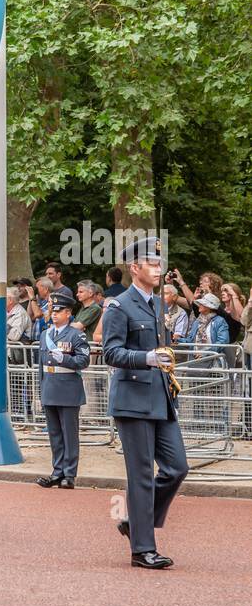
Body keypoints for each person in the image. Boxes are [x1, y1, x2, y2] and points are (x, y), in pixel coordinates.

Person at [101, 236, 188, 569]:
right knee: (140, 475)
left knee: (178, 467)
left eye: (159, 263)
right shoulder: (119, 306)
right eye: (152, 263)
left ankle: (134, 522)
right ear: (134, 268)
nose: (158, 268)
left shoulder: (157, 305)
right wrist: (148, 358)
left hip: (160, 398)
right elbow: (111, 352)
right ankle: (142, 549)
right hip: (132, 400)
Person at [36, 287, 90, 489]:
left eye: (59, 311)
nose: (55, 314)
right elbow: (41, 366)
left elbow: (84, 361)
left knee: (69, 435)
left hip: (68, 390)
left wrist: (65, 359)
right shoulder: (45, 335)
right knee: (55, 435)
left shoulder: (76, 335)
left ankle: (69, 474)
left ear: (68, 313)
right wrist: (41, 389)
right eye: (54, 310)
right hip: (50, 387)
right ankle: (57, 472)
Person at [186, 292, 229, 363]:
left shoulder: (220, 321)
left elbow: (223, 342)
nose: (199, 305)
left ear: (209, 307)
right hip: (195, 360)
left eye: (202, 304)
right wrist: (177, 340)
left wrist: (206, 353)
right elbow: (190, 339)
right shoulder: (197, 321)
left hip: (213, 361)